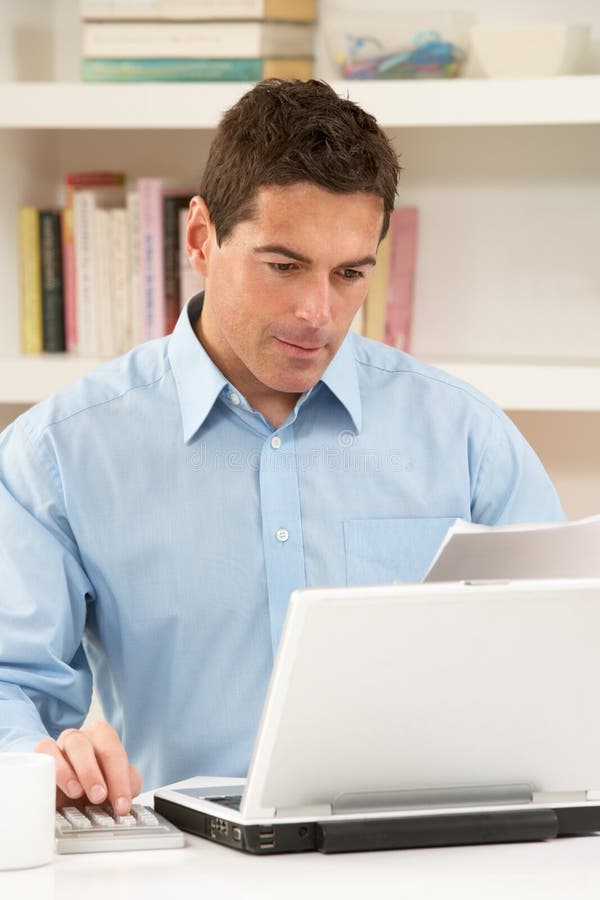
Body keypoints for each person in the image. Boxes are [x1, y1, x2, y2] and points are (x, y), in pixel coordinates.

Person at [0, 79, 563, 815]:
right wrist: (39, 757)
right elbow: (11, 684)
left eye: (350, 273)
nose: (317, 313)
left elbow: (560, 663)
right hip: (181, 867)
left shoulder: (468, 439)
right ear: (201, 238)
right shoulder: (59, 454)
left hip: (427, 858)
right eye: (284, 265)